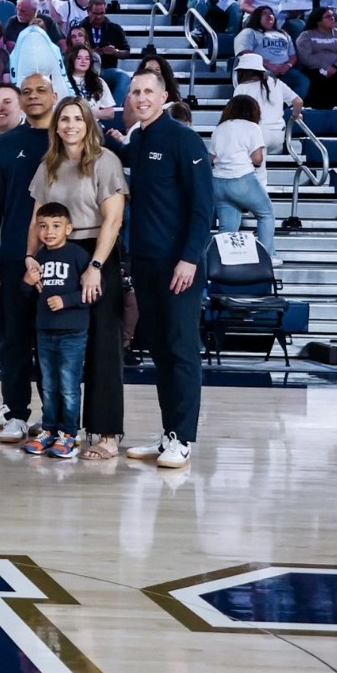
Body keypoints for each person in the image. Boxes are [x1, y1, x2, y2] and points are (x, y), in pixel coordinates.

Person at [115, 72, 215, 468]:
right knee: (159, 350)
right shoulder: (138, 139)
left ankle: (184, 439)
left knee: (181, 350)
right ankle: (168, 435)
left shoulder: (184, 138)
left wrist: (190, 258)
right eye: (135, 92)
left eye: (147, 92)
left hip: (180, 266)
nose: (140, 98)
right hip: (145, 263)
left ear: (165, 96)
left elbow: (202, 205)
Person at [20, 97, 126, 458]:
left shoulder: (104, 161)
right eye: (64, 119)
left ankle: (107, 433)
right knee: (53, 346)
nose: (70, 125)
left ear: (88, 123)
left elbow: (113, 220)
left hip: (96, 252)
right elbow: (37, 217)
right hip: (55, 255)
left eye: (77, 119)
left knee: (102, 346)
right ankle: (58, 425)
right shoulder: (48, 163)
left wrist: (95, 267)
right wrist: (31, 259)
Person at [22, 203, 90, 459]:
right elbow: (25, 295)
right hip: (45, 331)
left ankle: (70, 434)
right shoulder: (39, 257)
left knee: (69, 386)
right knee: (49, 385)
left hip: (73, 332)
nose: (49, 231)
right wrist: (26, 283)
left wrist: (67, 301)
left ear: (68, 228)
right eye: (43, 226)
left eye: (56, 226)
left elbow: (95, 291)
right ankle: (49, 429)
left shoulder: (78, 255)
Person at [210, 94, 275, 259]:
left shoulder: (220, 128)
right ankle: (266, 257)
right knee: (266, 214)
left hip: (218, 182)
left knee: (228, 228)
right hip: (241, 179)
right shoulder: (252, 127)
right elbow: (258, 159)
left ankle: (223, 261)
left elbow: (211, 158)